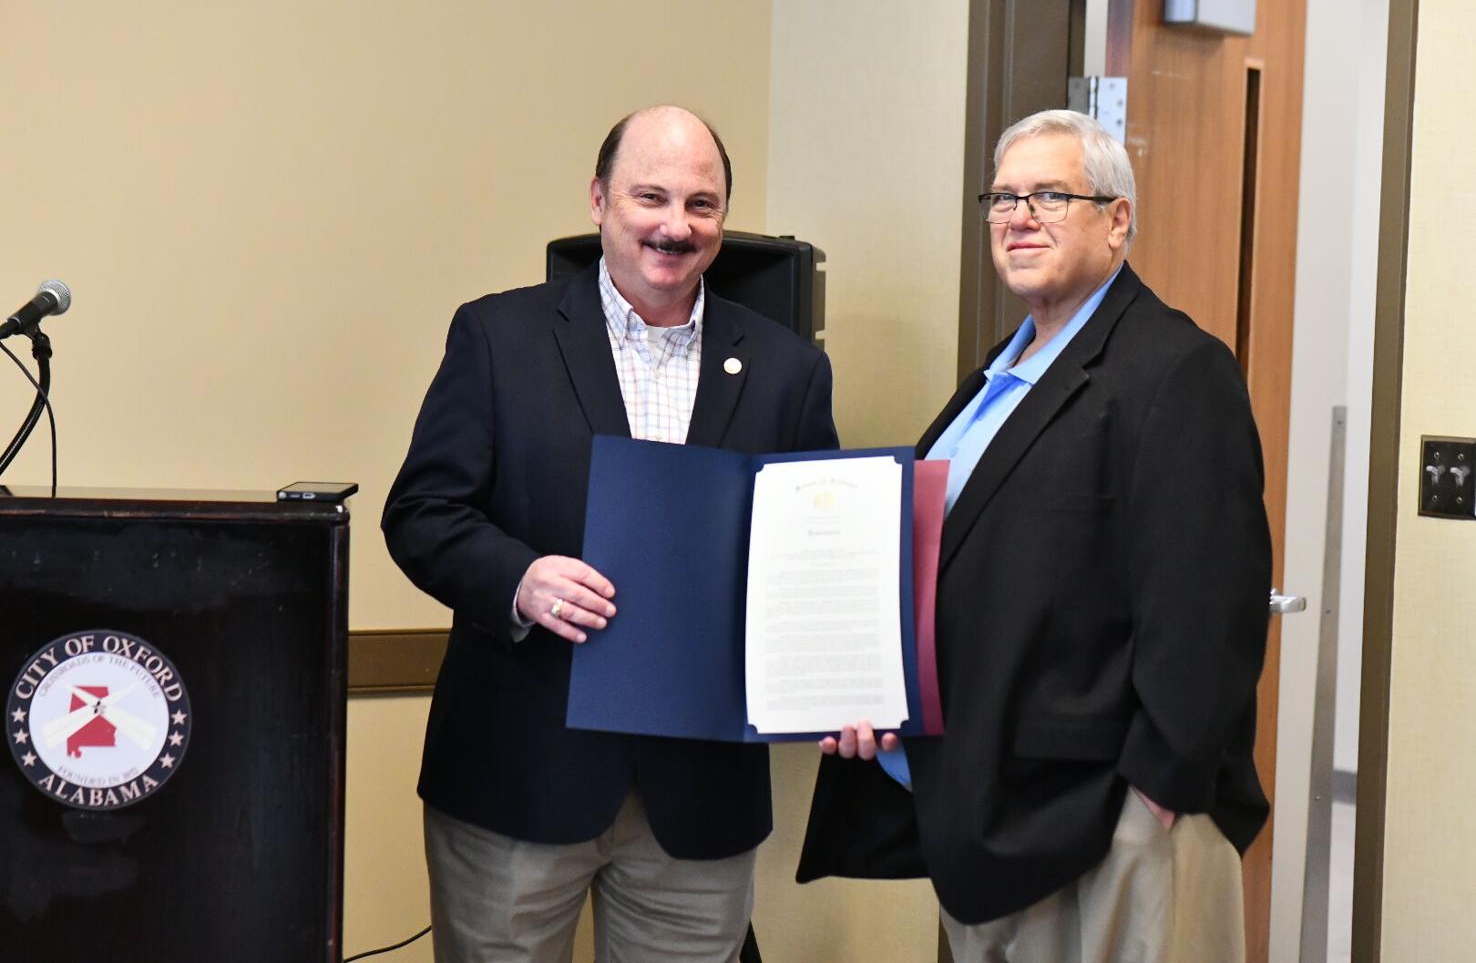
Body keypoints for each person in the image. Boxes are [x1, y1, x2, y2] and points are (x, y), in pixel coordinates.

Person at [797, 109, 1272, 963]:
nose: (1019, 217)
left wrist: (1153, 798)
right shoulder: (993, 382)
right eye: (1003, 197)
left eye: (1050, 195)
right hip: (985, 816)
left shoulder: (1175, 370)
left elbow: (1208, 603)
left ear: (1118, 218)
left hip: (1109, 826)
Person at [383, 105, 838, 963]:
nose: (676, 226)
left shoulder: (789, 370)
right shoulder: (498, 337)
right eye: (651, 197)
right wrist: (518, 579)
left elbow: (814, 554)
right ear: (599, 200)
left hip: (699, 801)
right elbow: (421, 515)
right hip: (519, 778)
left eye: (702, 204)